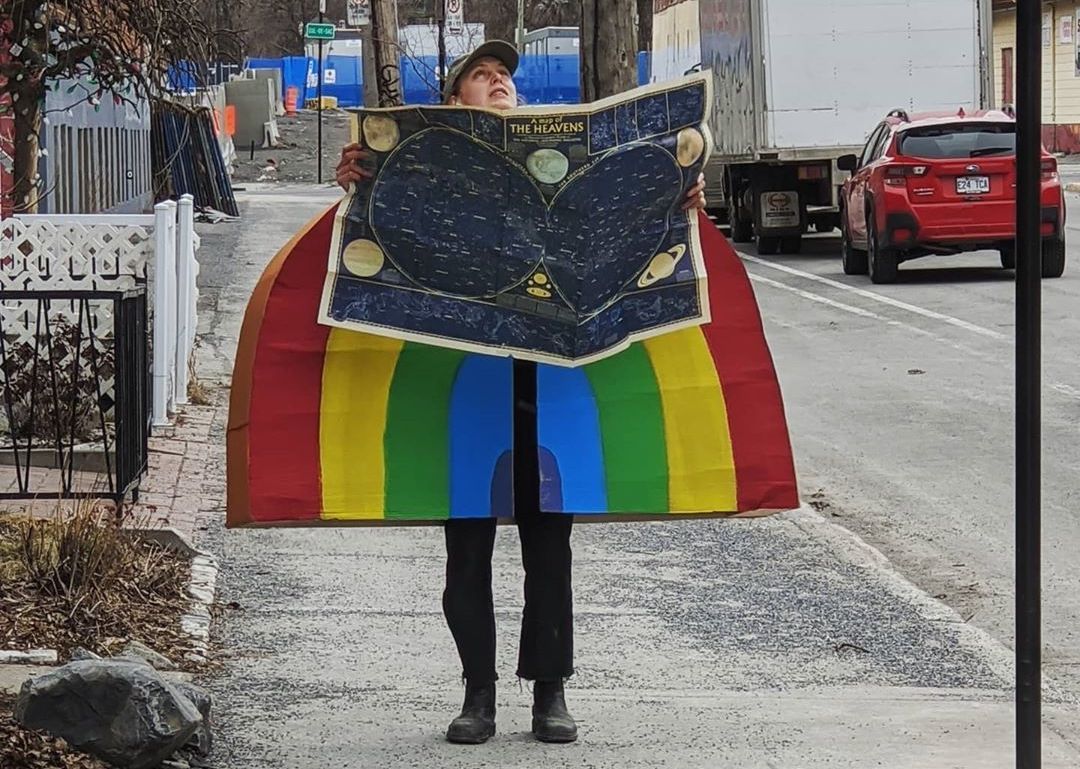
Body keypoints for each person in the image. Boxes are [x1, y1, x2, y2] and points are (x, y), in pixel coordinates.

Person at [335, 41, 708, 746]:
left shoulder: (563, 162)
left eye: (505, 72)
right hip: (467, 376)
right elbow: (381, 237)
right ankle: (478, 692)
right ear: (453, 102)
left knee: (549, 543)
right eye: (481, 74)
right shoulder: (430, 166)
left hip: (552, 376)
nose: (499, 78)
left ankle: (550, 692)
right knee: (467, 543)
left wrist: (673, 197)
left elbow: (619, 226)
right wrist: (359, 176)